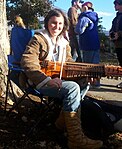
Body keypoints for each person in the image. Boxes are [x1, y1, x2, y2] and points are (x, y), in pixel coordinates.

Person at [21, 8, 103, 149]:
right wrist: (47, 80)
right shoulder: (38, 39)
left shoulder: (64, 43)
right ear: (47, 23)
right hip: (40, 81)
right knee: (72, 88)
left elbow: (69, 63)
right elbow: (28, 61)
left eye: (60, 24)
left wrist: (85, 74)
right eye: (53, 23)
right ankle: (75, 139)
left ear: (64, 25)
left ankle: (61, 123)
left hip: (60, 80)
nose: (57, 27)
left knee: (84, 83)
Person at [75, 1, 101, 88]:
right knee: (95, 64)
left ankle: (89, 83)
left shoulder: (84, 17)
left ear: (85, 8)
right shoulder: (94, 16)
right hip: (95, 43)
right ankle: (96, 83)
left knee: (88, 65)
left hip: (87, 44)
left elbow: (78, 30)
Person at [109, 0, 122, 88]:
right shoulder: (116, 18)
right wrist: (111, 34)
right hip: (118, 45)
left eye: (116, 4)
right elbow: (112, 29)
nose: (114, 6)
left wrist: (119, 34)